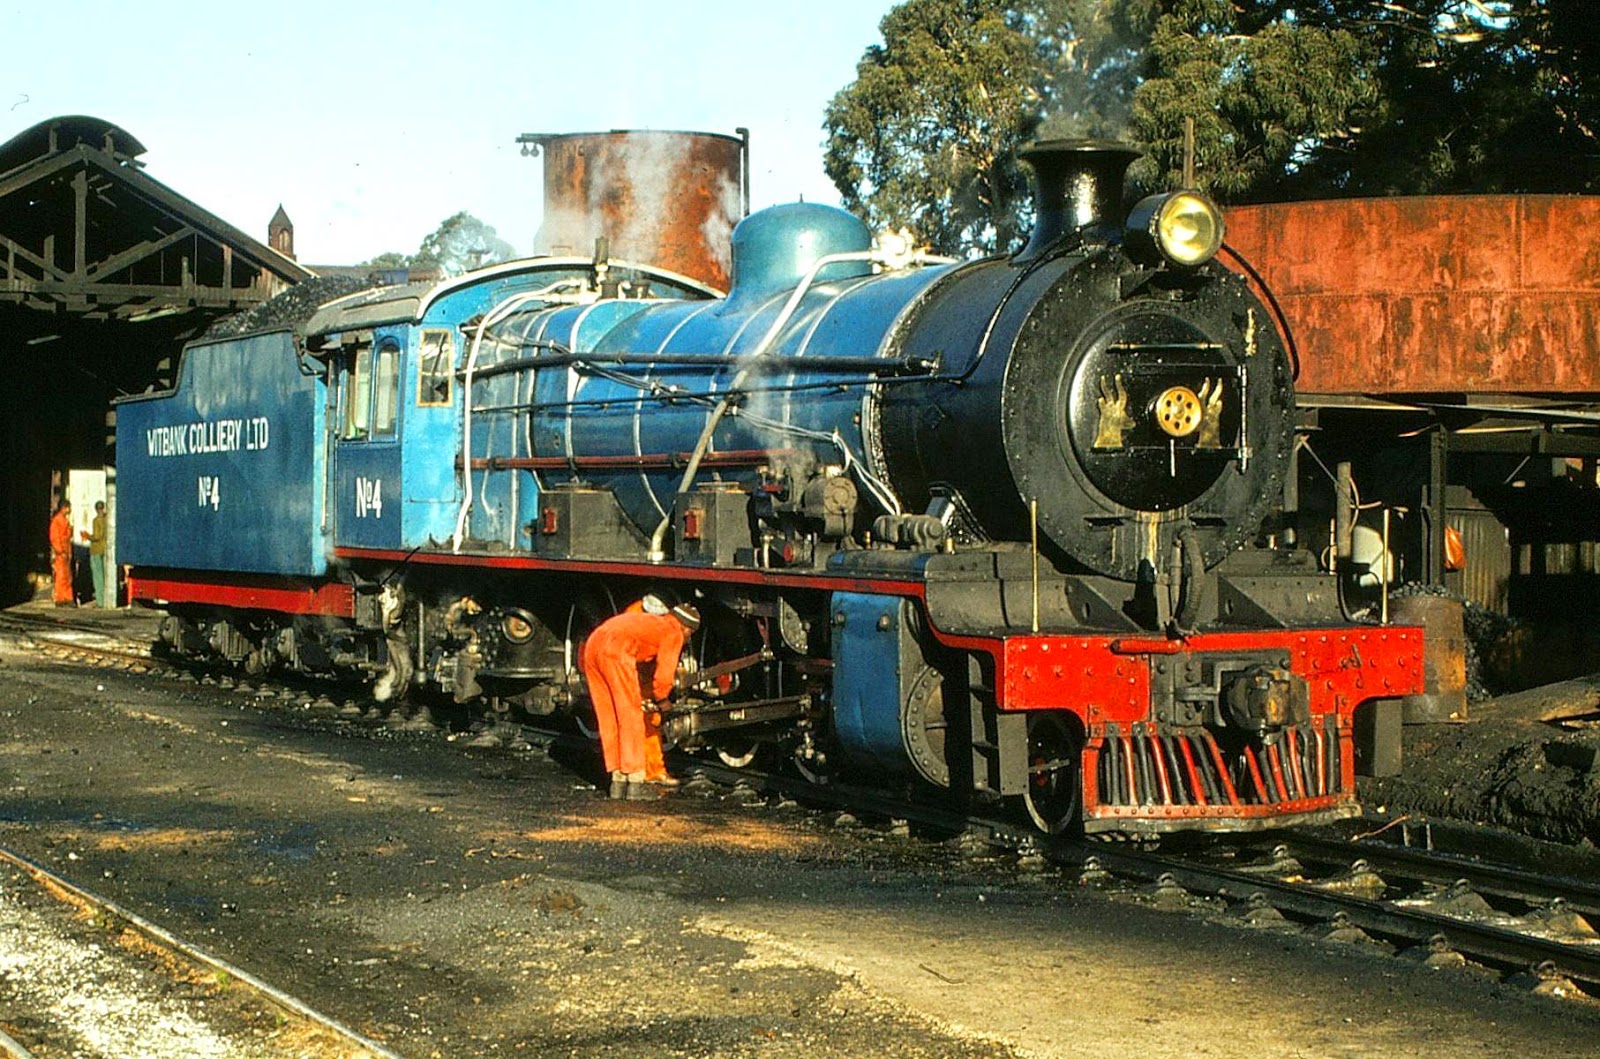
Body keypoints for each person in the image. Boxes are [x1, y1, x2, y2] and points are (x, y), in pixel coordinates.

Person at [580, 600, 700, 800]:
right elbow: (664, 675)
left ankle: (617, 779)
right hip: (616, 651)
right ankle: (635, 781)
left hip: (593, 645)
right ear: (687, 628)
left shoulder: (653, 621)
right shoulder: (674, 632)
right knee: (630, 715)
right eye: (690, 635)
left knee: (608, 716)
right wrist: (663, 700)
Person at [625, 594, 679, 788]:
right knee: (642, 716)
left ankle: (647, 770)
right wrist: (663, 697)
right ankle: (641, 771)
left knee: (646, 716)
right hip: (631, 664)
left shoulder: (634, 612)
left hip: (641, 663)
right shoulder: (636, 615)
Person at [81, 501, 109, 607]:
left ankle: (100, 601)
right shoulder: (107, 519)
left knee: (98, 577)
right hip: (104, 550)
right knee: (104, 576)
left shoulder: (96, 520)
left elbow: (96, 536)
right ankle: (105, 600)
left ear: (96, 509)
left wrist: (87, 535)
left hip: (96, 550)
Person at [48, 500, 73, 607]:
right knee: (61, 576)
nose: (69, 510)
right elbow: (55, 538)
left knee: (67, 577)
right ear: (63, 508)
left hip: (66, 552)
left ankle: (67, 598)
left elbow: (67, 538)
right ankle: (60, 598)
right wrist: (60, 551)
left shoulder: (64, 520)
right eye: (68, 508)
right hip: (61, 553)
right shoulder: (57, 521)